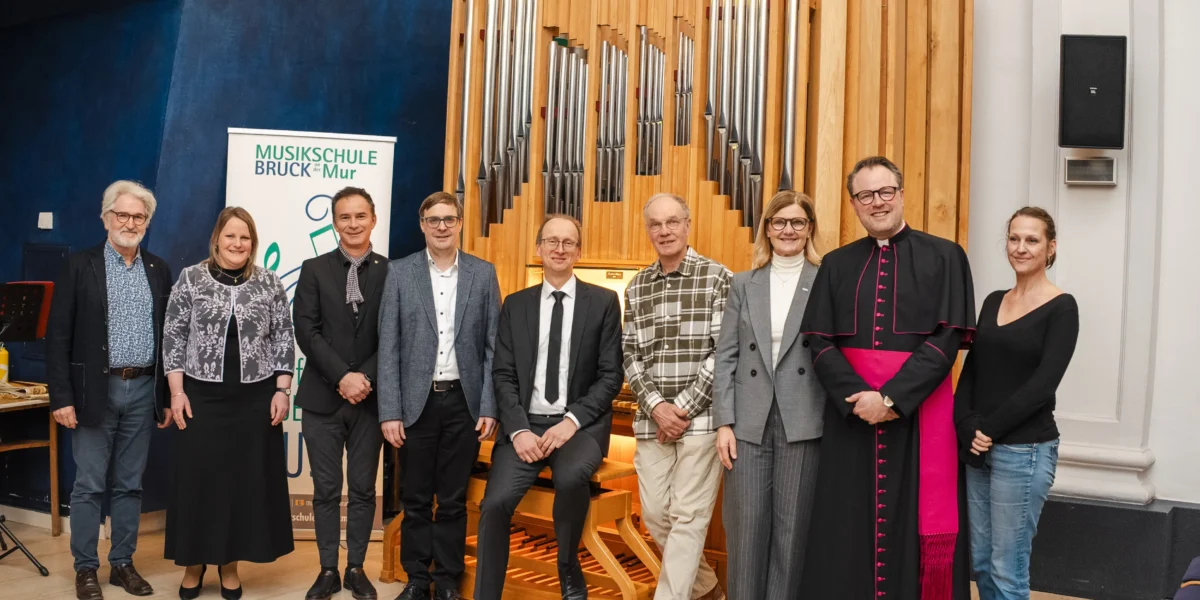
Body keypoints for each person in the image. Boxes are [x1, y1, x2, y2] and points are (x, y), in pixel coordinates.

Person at [798, 156, 976, 600]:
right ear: (853, 204)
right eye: (865, 195)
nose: (876, 203)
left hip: (918, 417)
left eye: (884, 192)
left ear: (900, 194)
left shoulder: (946, 256)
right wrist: (859, 398)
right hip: (852, 419)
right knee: (847, 524)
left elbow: (946, 339)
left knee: (911, 524)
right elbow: (819, 341)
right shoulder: (836, 265)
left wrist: (892, 399)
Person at [46, 181, 174, 600]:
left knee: (130, 485)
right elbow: (57, 335)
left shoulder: (158, 269)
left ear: (147, 223)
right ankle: (86, 569)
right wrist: (61, 397)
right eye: (122, 215)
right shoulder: (79, 266)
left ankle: (122, 563)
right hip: (91, 394)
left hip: (143, 390)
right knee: (89, 485)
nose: (130, 223)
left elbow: (170, 339)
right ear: (105, 218)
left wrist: (168, 396)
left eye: (139, 217)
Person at [161, 206, 295, 600]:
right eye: (231, 236)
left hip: (255, 398)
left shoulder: (269, 282)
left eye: (245, 237)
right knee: (199, 481)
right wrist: (177, 392)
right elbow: (173, 338)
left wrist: (282, 390)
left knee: (241, 483)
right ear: (217, 238)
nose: (238, 244)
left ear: (253, 244)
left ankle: (230, 565)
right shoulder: (191, 279)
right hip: (199, 397)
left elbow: (284, 338)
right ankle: (193, 563)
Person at [378, 191, 501, 600]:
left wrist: (489, 405)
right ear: (423, 225)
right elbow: (389, 347)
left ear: (461, 223)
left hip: (463, 404)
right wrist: (389, 411)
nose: (442, 226)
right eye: (434, 220)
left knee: (451, 499)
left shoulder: (483, 275)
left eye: (450, 219)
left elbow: (492, 347)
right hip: (416, 404)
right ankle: (416, 579)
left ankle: (446, 581)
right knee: (414, 498)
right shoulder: (399, 273)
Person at [954, 207, 1078, 600]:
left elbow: (1043, 386)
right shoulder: (993, 301)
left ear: (1050, 247)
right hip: (980, 449)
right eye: (1014, 238)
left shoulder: (1062, 307)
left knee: (1008, 570)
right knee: (982, 562)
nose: (1020, 248)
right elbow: (971, 371)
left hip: (1024, 451)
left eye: (1032, 240)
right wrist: (968, 426)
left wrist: (987, 430)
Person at [713, 190, 825, 600]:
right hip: (748, 422)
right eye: (779, 222)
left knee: (791, 533)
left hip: (804, 419)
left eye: (797, 222)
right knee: (745, 530)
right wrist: (723, 422)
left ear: (809, 228)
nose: (788, 230)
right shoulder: (743, 283)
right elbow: (725, 356)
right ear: (767, 229)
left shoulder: (825, 278)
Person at [623, 193, 730, 600]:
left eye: (672, 222)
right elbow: (629, 354)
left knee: (688, 516)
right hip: (652, 421)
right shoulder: (637, 287)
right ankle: (707, 588)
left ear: (688, 224)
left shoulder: (718, 277)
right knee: (654, 515)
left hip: (701, 422)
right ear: (647, 229)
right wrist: (656, 407)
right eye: (655, 224)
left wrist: (681, 409)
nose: (664, 231)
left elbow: (724, 352)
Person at [292, 187, 388, 600]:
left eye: (360, 216)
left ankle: (356, 569)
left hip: (373, 399)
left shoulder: (392, 271)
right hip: (322, 400)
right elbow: (306, 331)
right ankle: (328, 569)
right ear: (334, 222)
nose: (353, 223)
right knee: (326, 490)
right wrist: (342, 378)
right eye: (345, 217)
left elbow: (395, 335)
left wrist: (363, 377)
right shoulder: (313, 269)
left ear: (373, 219)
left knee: (365, 489)